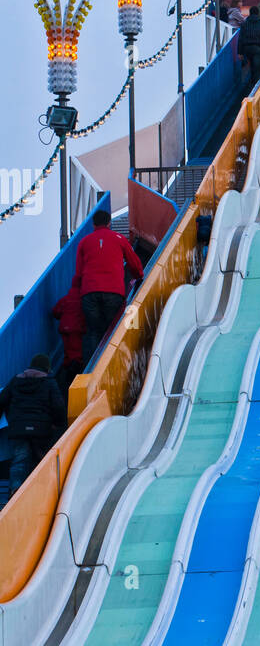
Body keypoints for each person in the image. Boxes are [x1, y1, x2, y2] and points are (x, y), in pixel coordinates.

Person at [74, 209, 143, 366]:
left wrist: (78, 292)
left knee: (93, 330)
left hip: (89, 292)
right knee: (112, 329)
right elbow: (134, 262)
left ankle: (92, 366)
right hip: (114, 292)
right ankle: (111, 363)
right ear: (109, 223)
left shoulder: (84, 242)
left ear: (93, 224)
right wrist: (139, 276)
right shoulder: (119, 238)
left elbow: (78, 272)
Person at [0, 354, 66, 495]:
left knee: (19, 460)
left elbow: (2, 400)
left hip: (18, 429)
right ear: (47, 368)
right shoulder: (49, 382)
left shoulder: (16, 380)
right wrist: (59, 424)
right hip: (42, 429)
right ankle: (40, 493)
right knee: (41, 460)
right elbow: (59, 406)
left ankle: (15, 491)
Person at [51, 281, 85, 394]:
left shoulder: (66, 298)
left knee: (68, 349)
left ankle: (67, 365)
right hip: (77, 328)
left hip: (64, 328)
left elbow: (55, 311)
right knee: (76, 351)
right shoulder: (83, 299)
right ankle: (74, 371)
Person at [238, 4, 260, 85]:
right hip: (257, 48)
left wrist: (239, 52)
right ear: (258, 13)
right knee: (257, 69)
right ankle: (255, 89)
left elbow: (240, 39)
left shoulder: (244, 24)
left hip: (246, 48)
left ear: (250, 13)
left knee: (249, 68)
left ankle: (248, 87)